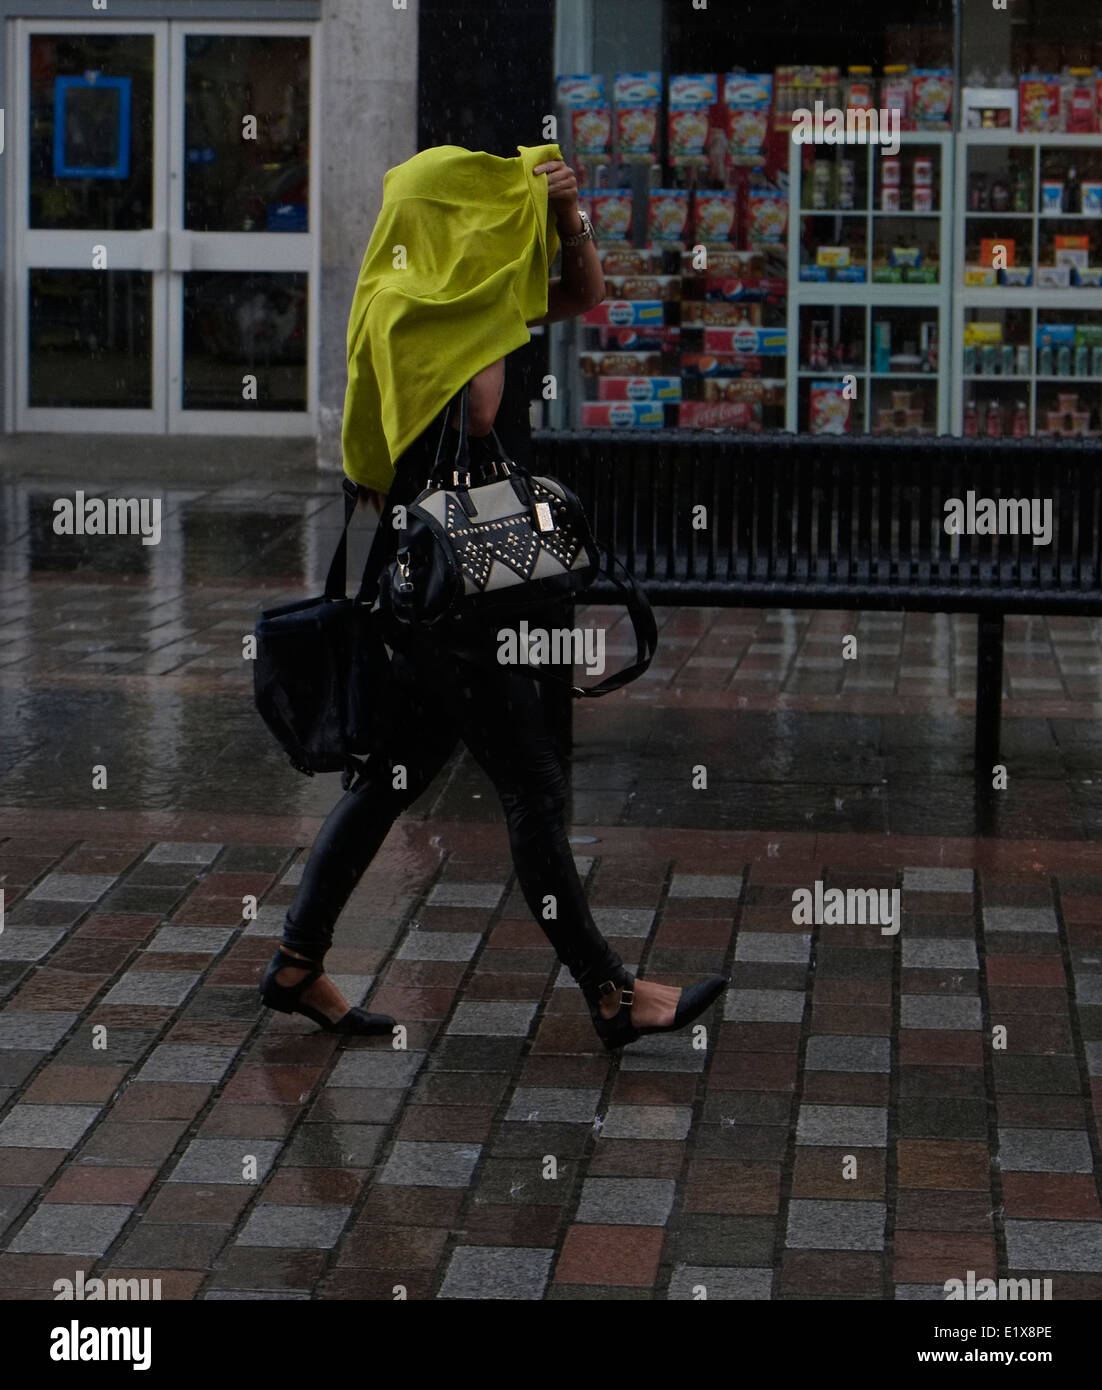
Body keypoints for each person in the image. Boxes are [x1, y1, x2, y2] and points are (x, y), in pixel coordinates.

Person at [258, 142, 726, 1050]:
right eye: (465, 213)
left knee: (390, 781)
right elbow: (464, 414)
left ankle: (296, 963)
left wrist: (565, 215)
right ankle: (610, 993)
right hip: (444, 598)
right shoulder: (401, 310)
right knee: (532, 789)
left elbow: (584, 294)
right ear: (433, 221)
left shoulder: (463, 300)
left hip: (462, 589)